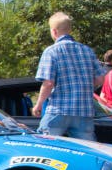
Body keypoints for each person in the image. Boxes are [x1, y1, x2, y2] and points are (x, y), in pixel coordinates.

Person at [32, 12, 106, 140]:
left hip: (59, 110)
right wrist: (84, 85)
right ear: (70, 29)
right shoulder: (87, 50)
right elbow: (100, 79)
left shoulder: (51, 51)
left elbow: (48, 83)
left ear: (54, 32)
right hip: (84, 111)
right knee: (87, 149)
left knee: (44, 144)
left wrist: (38, 104)